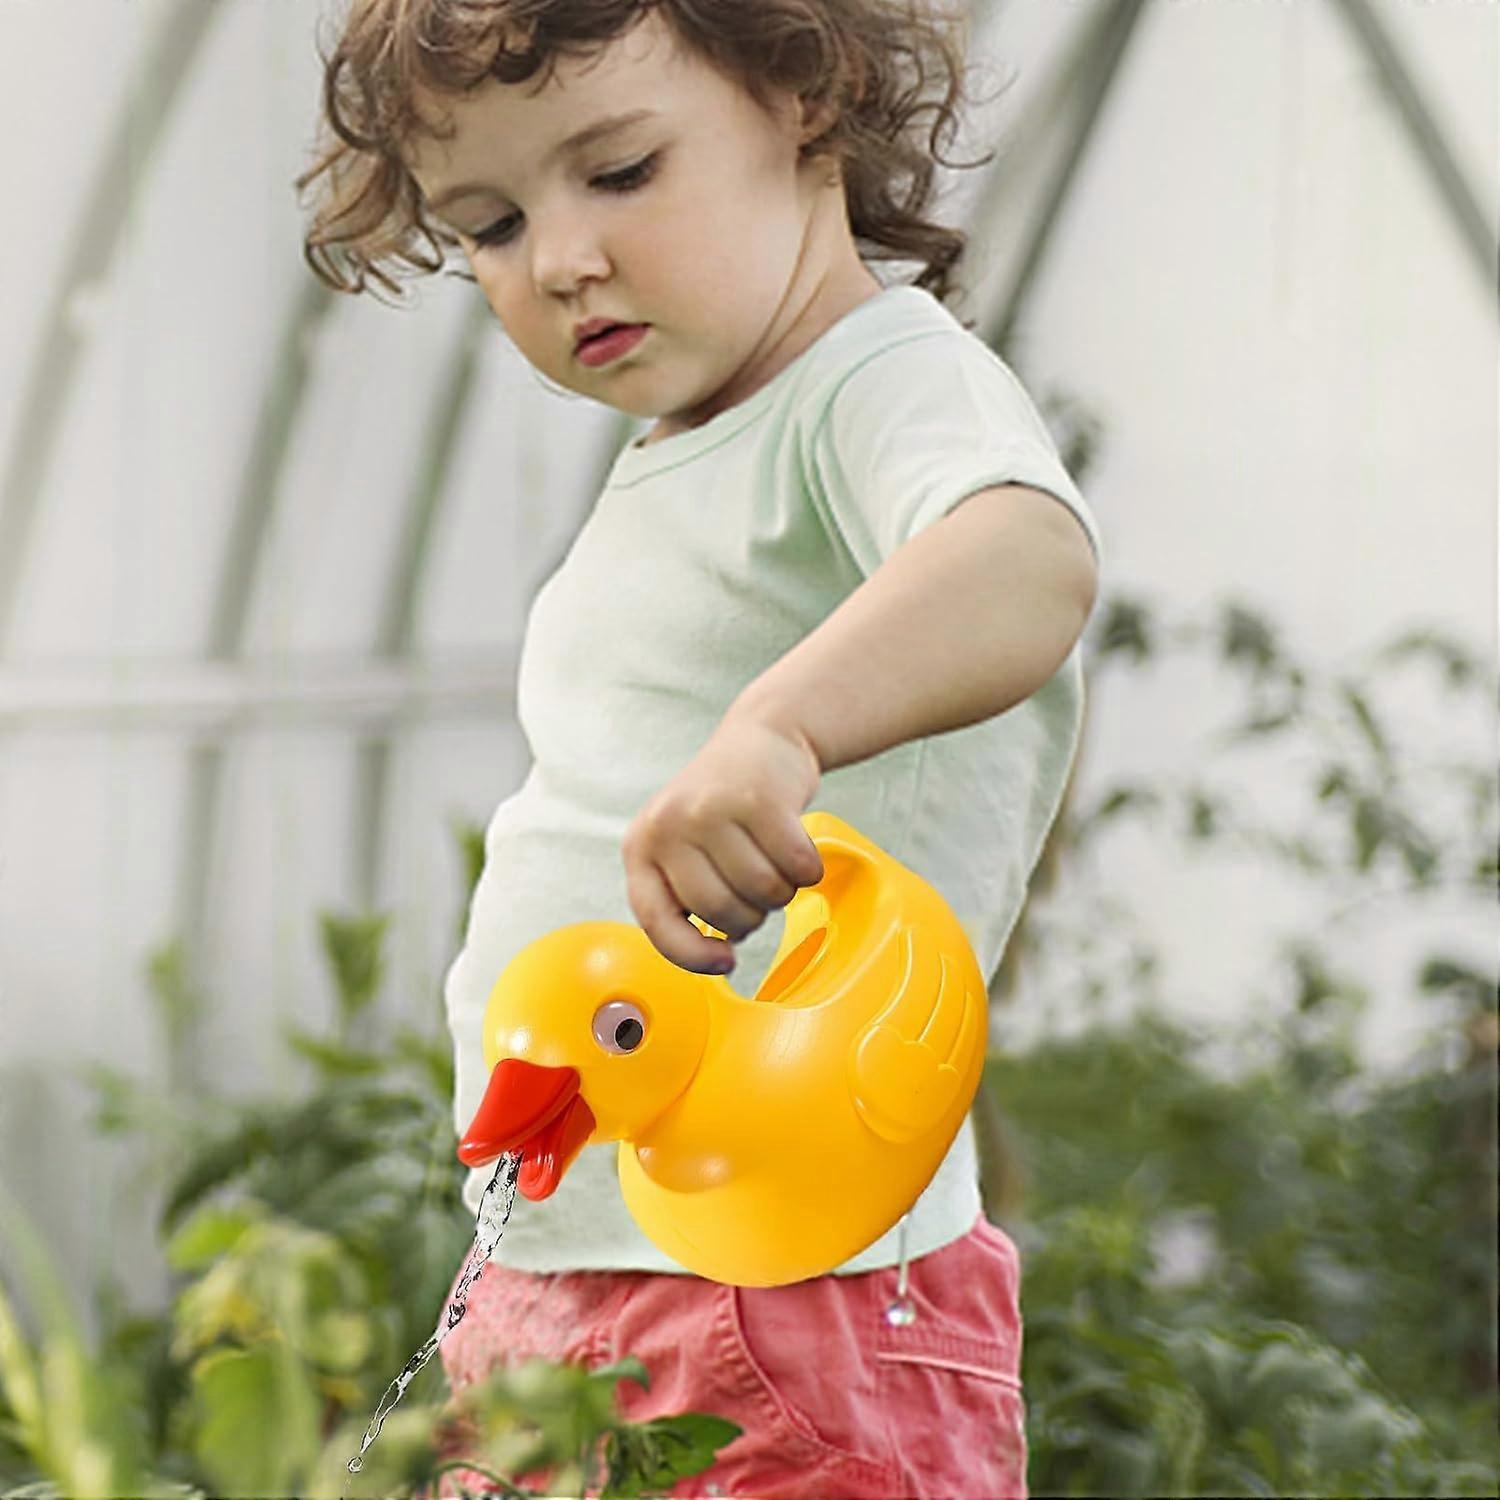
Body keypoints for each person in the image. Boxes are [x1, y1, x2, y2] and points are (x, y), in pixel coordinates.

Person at [298, 2, 1102, 1495]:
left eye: (617, 172)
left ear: (805, 94)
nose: (559, 260)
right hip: (592, 1266)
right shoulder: (693, 436)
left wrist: (779, 731)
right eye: (489, 224)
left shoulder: (875, 385)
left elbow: (1024, 559)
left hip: (783, 1289)